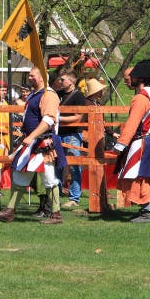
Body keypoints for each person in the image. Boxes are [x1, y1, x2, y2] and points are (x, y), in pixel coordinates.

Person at [0, 66, 66, 225]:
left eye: (32, 76)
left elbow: (49, 120)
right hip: (32, 143)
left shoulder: (49, 95)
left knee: (49, 178)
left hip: (43, 143)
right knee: (20, 175)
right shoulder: (34, 95)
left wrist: (32, 136)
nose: (29, 78)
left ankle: (56, 215)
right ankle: (9, 212)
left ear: (41, 78)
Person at [112, 61, 150, 222]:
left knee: (137, 176)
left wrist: (120, 145)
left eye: (132, 77)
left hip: (142, 142)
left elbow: (133, 123)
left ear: (139, 78)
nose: (130, 79)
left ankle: (146, 210)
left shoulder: (140, 98)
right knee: (149, 175)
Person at [56, 69, 88, 210]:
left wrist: (58, 119)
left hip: (73, 134)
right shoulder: (58, 94)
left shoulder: (79, 96)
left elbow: (78, 117)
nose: (60, 82)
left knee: (75, 167)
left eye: (63, 80)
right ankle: (55, 195)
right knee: (57, 165)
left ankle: (74, 198)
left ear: (71, 81)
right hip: (59, 133)